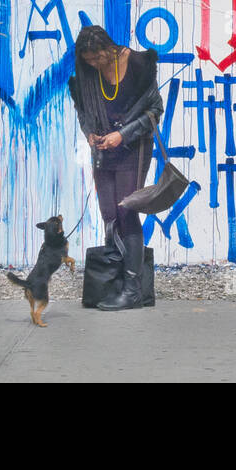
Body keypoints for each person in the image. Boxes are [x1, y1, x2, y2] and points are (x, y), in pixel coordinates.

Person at [68, 24, 162, 310]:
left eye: (98, 58)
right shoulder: (87, 72)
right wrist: (90, 134)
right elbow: (83, 109)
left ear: (109, 48)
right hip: (104, 150)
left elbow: (155, 110)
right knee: (109, 212)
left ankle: (132, 290)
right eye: (89, 61)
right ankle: (119, 282)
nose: (95, 64)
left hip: (133, 147)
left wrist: (123, 134)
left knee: (126, 210)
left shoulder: (138, 64)